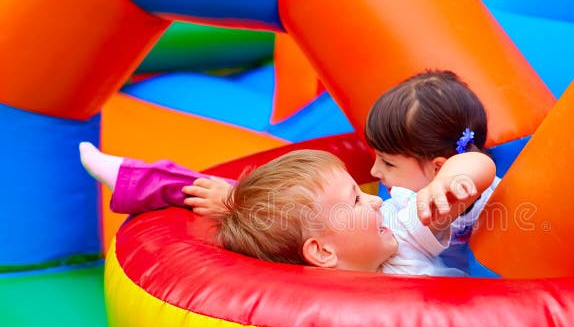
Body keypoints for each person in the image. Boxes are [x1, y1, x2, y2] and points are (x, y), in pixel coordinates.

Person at [79, 143, 495, 276]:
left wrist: (451, 183)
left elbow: (479, 163)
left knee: (237, 197)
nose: (376, 197)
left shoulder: (396, 227)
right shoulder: (313, 284)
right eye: (356, 197)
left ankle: (139, 178)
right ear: (322, 253)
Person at [364, 70, 501, 272]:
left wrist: (443, 184)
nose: (374, 170)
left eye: (388, 163)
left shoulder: (449, 198)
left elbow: (479, 165)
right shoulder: (406, 206)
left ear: (438, 168)